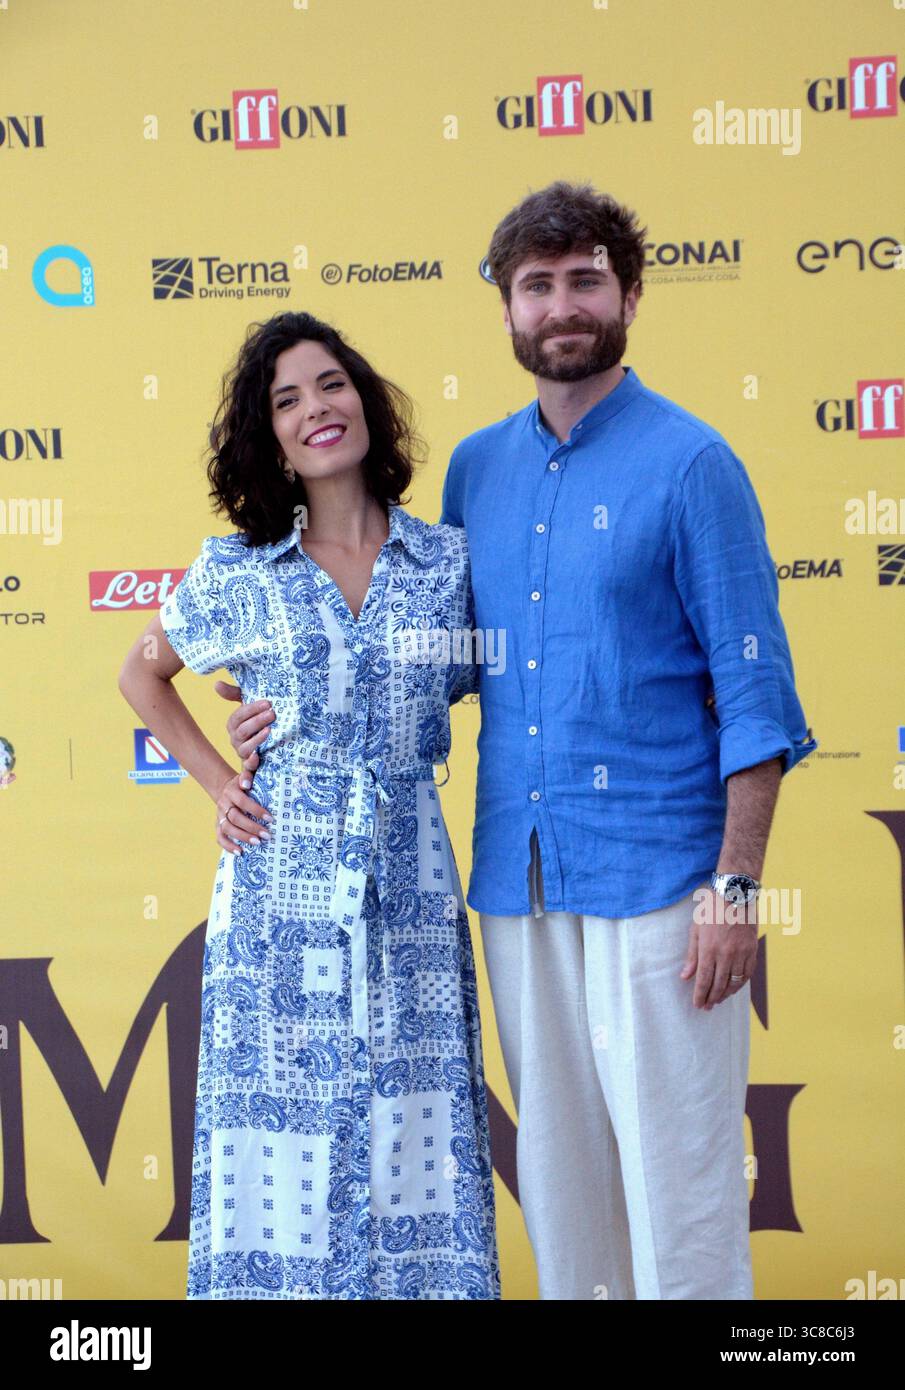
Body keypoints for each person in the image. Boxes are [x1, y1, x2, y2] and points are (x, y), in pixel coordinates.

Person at [221, 183, 819, 1302]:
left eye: (584, 278)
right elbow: (420, 664)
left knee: (677, 1186)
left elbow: (755, 698)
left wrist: (734, 888)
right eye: (535, 285)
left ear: (628, 294)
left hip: (662, 879)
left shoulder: (694, 465)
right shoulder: (474, 475)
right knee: (557, 1185)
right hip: (517, 880)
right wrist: (277, 700)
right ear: (505, 310)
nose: (560, 304)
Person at [117, 311, 500, 1301]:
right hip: (279, 893)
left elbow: (504, 689)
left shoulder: (448, 567)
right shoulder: (239, 573)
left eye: (329, 384)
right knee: (279, 1127)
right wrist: (218, 777)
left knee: (417, 1123)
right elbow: (143, 672)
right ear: (269, 440)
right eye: (285, 400)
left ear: (362, 399)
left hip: (411, 883)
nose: (314, 409)